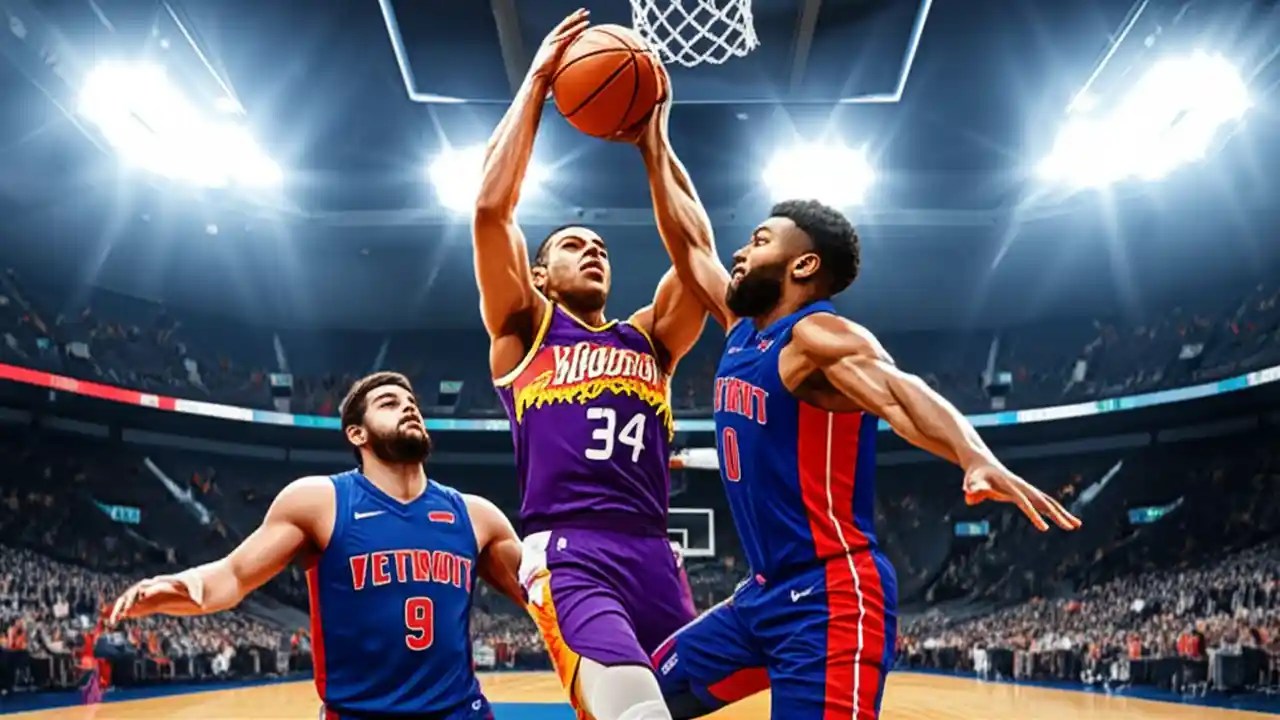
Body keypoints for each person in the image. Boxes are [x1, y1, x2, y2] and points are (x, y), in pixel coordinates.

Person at [630, 87, 1083, 719]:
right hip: (760, 599)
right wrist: (652, 141)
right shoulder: (740, 327)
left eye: (760, 241)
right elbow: (690, 240)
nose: (741, 251)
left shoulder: (817, 336)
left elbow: (901, 391)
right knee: (634, 702)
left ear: (803, 264)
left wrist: (971, 455)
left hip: (831, 596)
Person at [471, 10, 706, 720]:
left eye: (599, 244)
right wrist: (538, 85)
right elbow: (489, 209)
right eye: (572, 244)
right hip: (571, 550)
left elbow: (697, 256)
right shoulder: (525, 333)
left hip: (656, 555)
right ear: (539, 275)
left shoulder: (651, 339)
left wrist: (653, 142)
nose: (593, 249)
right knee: (636, 715)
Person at [108, 372, 522, 720]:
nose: (409, 407)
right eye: (389, 403)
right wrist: (183, 585)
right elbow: (234, 575)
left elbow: (547, 598)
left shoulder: (475, 515)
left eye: (411, 401)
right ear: (356, 433)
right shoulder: (319, 501)